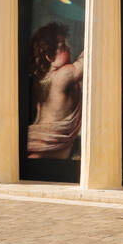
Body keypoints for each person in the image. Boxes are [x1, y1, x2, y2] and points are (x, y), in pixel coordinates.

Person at [27, 22, 83, 159]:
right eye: (63, 46)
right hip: (50, 140)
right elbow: (85, 62)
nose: (68, 47)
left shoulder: (41, 79)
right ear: (50, 56)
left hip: (40, 137)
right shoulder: (62, 75)